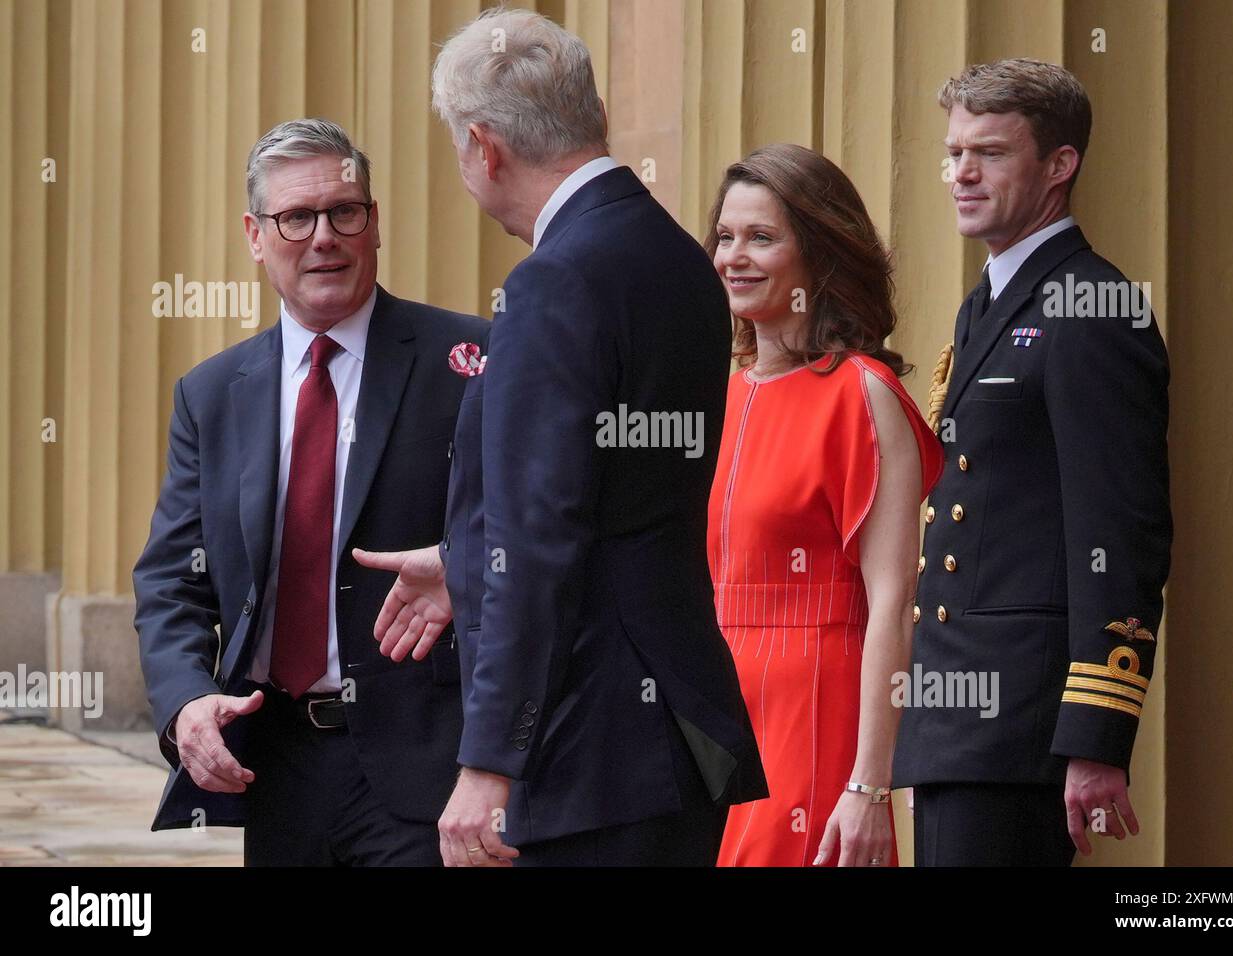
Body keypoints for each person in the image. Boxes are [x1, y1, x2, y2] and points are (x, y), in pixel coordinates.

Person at [354, 6, 766, 867]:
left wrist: (489, 761)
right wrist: (462, 558)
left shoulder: (554, 281)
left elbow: (540, 540)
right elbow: (616, 501)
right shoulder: (676, 256)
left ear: (484, 147)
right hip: (672, 737)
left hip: (587, 754)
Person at [133, 119, 487, 865]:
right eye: (296, 218)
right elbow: (172, 578)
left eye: (343, 212)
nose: (323, 237)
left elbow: (533, 532)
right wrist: (187, 702)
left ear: (374, 223)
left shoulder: (470, 362)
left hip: (427, 768)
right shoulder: (212, 395)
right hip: (278, 764)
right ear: (256, 236)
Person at [892, 59, 1173, 866]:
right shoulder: (990, 301)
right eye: (952, 153)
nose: (961, 174)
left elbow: (1121, 534)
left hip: (1021, 725)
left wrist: (1096, 735)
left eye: (990, 152)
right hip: (959, 721)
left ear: (1060, 165)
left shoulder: (1091, 305)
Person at [704, 144, 943, 867]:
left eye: (761, 238)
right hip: (715, 720)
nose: (733, 257)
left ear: (820, 254)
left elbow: (892, 603)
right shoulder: (722, 395)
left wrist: (868, 784)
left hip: (814, 709)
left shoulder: (861, 393)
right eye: (725, 235)